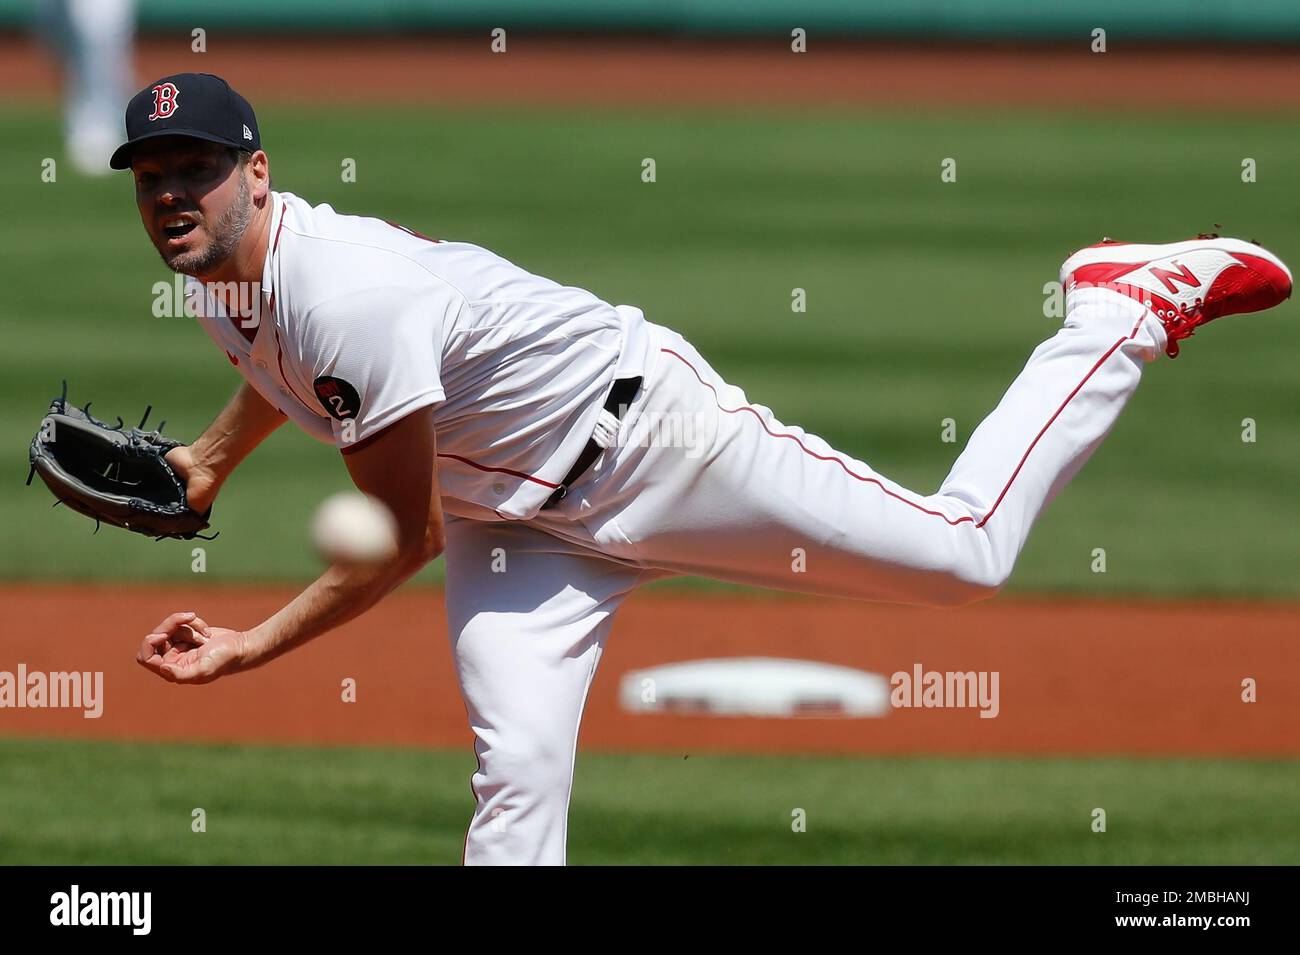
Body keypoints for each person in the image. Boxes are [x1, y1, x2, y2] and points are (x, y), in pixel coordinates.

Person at [119, 73, 1291, 865]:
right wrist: (208, 462)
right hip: (520, 529)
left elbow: (400, 531)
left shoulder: (340, 292)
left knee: (965, 555)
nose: (172, 193)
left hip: (656, 446)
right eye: (152, 173)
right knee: (516, 769)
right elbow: (297, 371)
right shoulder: (222, 275)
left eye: (197, 168)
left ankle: (1117, 308)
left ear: (257, 173)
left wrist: (246, 647)